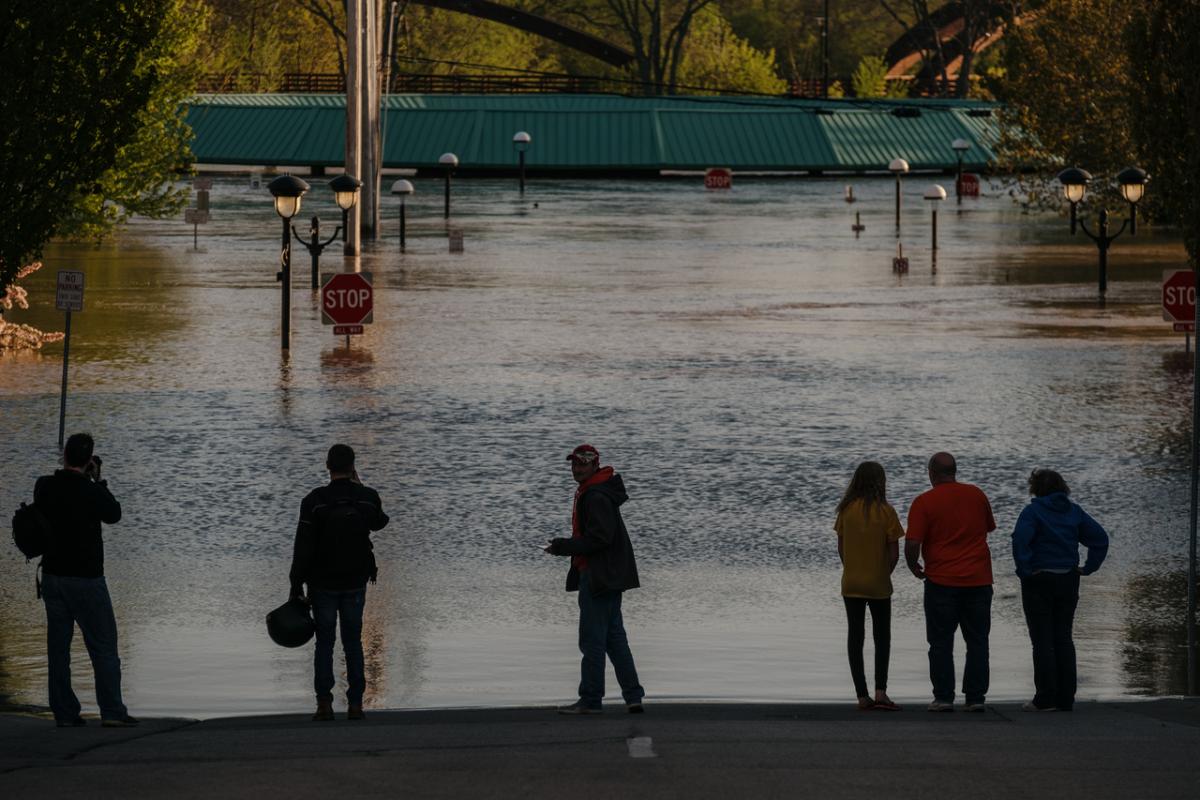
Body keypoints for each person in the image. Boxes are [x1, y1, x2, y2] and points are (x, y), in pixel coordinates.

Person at [35, 432, 137, 728]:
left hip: (53, 578)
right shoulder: (90, 491)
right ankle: (112, 712)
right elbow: (114, 514)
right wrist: (98, 480)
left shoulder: (44, 486)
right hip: (86, 580)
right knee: (104, 645)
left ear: (65, 456)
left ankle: (64, 713)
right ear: (89, 460)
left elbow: (52, 497)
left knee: (58, 649)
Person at [289, 444, 389, 722]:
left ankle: (324, 704)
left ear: (327, 465)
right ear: (353, 466)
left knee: (325, 642)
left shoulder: (314, 501)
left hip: (321, 582)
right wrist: (361, 486)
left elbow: (303, 546)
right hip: (356, 579)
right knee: (352, 641)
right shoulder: (367, 497)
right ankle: (356, 704)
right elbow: (380, 522)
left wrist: (295, 585)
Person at [545, 444, 645, 715]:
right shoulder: (597, 492)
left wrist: (563, 546)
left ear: (594, 465)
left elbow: (600, 538)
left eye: (582, 464)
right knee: (614, 638)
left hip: (599, 577)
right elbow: (601, 537)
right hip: (610, 576)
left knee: (591, 640)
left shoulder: (595, 496)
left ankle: (590, 699)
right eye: (574, 464)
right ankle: (633, 696)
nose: (577, 469)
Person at [905, 452, 996, 712]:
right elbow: (987, 528)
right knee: (978, 641)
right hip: (978, 580)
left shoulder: (924, 501)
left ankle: (944, 697)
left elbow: (912, 542)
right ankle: (975, 698)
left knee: (941, 642)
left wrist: (914, 566)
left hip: (941, 581)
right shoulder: (977, 495)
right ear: (954, 471)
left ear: (932, 473)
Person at [1012, 469, 1109, 712]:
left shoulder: (1032, 512)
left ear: (1035, 488)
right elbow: (1100, 539)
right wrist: (1089, 567)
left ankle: (1045, 698)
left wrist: (1025, 570)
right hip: (1068, 578)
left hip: (1039, 579)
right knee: (1063, 637)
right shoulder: (1074, 511)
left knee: (1042, 640)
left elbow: (1020, 541)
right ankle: (1066, 698)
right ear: (1062, 487)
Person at [834, 461, 903, 710]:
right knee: (881, 636)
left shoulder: (845, 510)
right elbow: (894, 553)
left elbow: (841, 548)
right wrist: (883, 573)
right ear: (880, 482)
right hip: (878, 583)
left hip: (851, 581)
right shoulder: (887, 511)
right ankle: (881, 691)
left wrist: (852, 568)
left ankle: (862, 695)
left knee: (856, 636)